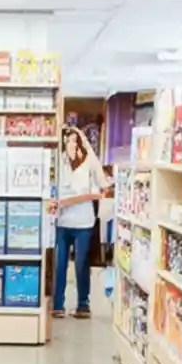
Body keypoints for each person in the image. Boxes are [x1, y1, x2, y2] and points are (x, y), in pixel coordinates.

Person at [54, 125, 108, 319]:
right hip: (61, 221)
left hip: (83, 222)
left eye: (75, 141)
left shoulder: (89, 162)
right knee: (59, 264)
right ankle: (57, 304)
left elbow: (100, 190)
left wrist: (72, 200)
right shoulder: (58, 161)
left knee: (81, 263)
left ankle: (83, 304)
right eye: (67, 141)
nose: (71, 145)